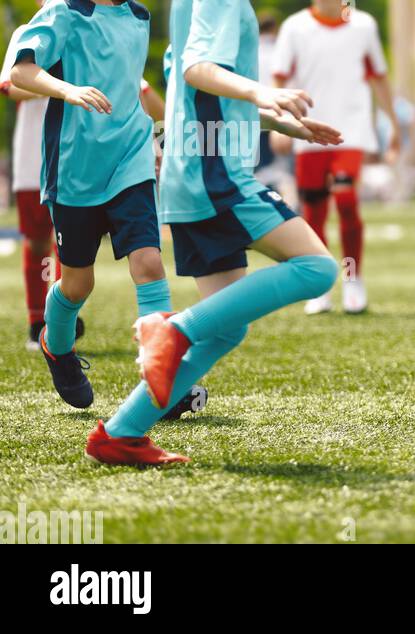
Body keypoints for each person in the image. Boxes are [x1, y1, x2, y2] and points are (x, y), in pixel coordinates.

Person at [85, 0, 344, 466]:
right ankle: (172, 330)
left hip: (190, 177)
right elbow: (198, 71)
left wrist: (283, 123)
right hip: (214, 174)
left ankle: (121, 433)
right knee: (318, 269)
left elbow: (199, 99)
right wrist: (263, 92)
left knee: (224, 331)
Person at [5, 0, 185, 412]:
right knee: (77, 284)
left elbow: (131, 88)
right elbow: (19, 72)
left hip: (130, 162)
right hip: (75, 171)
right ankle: (56, 346)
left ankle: (163, 377)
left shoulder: (139, 16)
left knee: (149, 263)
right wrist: (66, 89)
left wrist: (160, 139)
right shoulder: (62, 13)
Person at [272, 0, 402, 315]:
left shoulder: (364, 25)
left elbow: (379, 77)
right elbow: (279, 80)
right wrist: (279, 123)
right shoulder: (294, 27)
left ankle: (352, 278)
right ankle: (321, 287)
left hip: (351, 132)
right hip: (308, 132)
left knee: (346, 199)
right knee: (314, 212)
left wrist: (393, 124)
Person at [0, 0, 84, 352]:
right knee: (37, 241)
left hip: (74, 154)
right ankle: (37, 321)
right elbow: (11, 86)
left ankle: (61, 316)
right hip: (32, 157)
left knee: (70, 241)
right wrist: (56, 85)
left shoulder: (83, 29)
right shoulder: (26, 33)